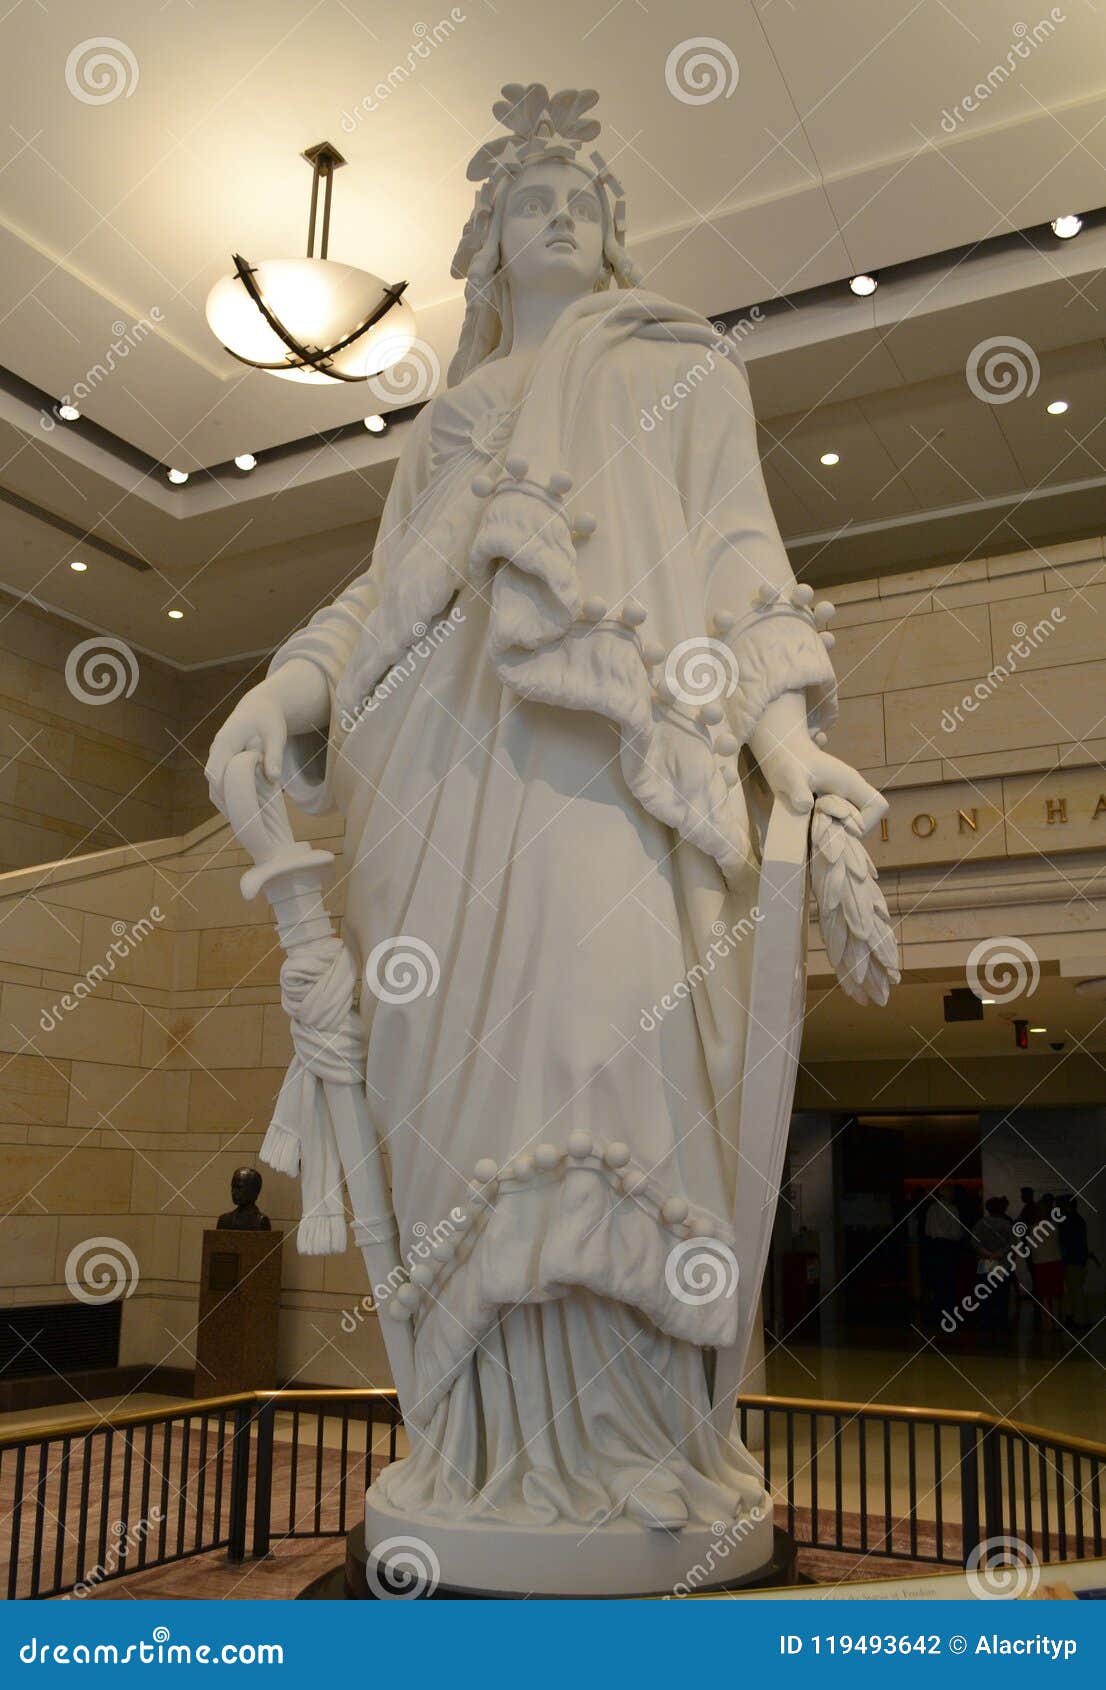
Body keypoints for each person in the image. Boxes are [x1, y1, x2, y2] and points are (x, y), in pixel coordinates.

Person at [206, 83, 886, 1549]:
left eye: (582, 197)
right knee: (458, 1093)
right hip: (440, 786)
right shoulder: (450, 413)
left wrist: (786, 739)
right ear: (487, 252)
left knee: (610, 1046)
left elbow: (731, 553)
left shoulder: (679, 367)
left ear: (615, 237)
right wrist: (291, 686)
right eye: (528, 201)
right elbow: (380, 594)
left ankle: (639, 1451)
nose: (559, 213)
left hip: (608, 763)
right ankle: (481, 1456)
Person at [925, 1183, 965, 1330]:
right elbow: (956, 1232)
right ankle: (948, 1309)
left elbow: (928, 1230)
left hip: (934, 1246)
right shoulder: (952, 1208)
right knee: (949, 1278)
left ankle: (937, 1308)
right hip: (948, 1247)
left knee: (937, 1278)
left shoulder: (931, 1208)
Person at [973, 1197, 1014, 1337]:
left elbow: (974, 1243)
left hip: (985, 1262)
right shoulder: (1006, 1224)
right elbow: (1012, 1244)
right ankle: (1001, 1322)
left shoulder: (980, 1223)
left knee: (984, 1293)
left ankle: (985, 1321)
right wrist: (999, 1254)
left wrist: (988, 1254)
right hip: (1002, 1262)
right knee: (1001, 1294)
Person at [1059, 1195, 1099, 1329]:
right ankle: (1076, 1318)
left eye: (1060, 1205)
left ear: (1066, 1206)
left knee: (1074, 1291)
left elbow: (1068, 1244)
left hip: (1072, 1261)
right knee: (1075, 1290)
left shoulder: (1069, 1221)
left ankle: (1078, 1319)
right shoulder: (1077, 1220)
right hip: (1076, 1261)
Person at [1031, 1193, 1064, 1326]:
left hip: (1040, 1263)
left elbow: (1032, 1248)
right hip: (1055, 1261)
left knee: (1044, 1296)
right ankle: (1056, 1321)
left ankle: (1047, 1323)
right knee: (1055, 1294)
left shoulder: (1033, 1228)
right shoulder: (1055, 1226)